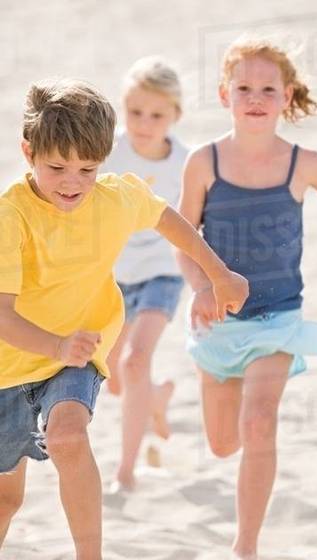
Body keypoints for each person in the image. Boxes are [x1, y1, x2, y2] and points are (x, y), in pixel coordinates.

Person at [0, 78, 248, 560]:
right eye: (56, 168)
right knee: (6, 500)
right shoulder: (10, 217)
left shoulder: (114, 197)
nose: (72, 182)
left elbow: (164, 217)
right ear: (28, 152)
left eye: (87, 169)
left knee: (68, 436)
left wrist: (218, 274)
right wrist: (53, 344)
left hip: (76, 352)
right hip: (9, 363)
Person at [177, 37, 317, 560]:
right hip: (218, 322)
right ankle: (221, 393)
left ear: (286, 97)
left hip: (279, 319)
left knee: (258, 422)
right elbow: (183, 238)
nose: (255, 97)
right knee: (222, 442)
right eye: (243, 88)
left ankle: (246, 546)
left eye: (267, 89)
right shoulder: (204, 163)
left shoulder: (303, 164)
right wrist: (200, 288)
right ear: (223, 95)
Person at [102, 57, 189, 492]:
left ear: (175, 115)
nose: (144, 123)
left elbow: (198, 225)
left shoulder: (187, 163)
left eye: (157, 115)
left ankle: (126, 471)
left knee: (136, 361)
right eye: (135, 112)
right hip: (113, 278)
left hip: (162, 274)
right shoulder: (108, 152)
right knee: (115, 377)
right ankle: (154, 399)